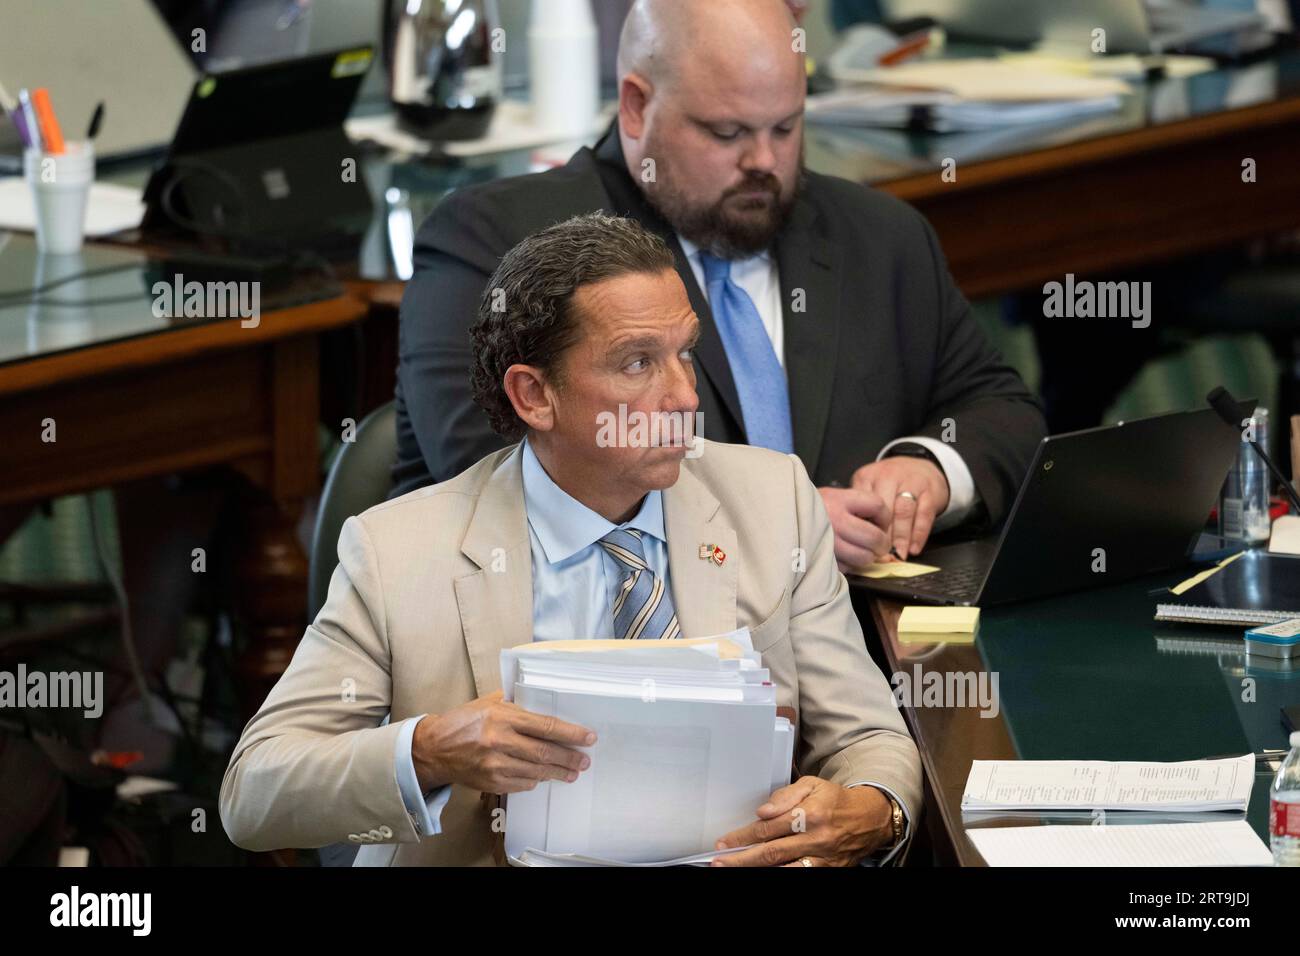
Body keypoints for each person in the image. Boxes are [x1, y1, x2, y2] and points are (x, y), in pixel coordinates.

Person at [221, 214, 922, 866]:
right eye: (638, 363)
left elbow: (869, 738)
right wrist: (429, 750)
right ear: (534, 396)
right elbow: (253, 794)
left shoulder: (774, 502)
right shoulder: (398, 551)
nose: (685, 397)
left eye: (685, 353)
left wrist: (870, 811)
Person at [392, 0, 1046, 572]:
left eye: (786, 128)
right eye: (726, 133)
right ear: (637, 106)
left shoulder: (879, 237)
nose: (764, 162)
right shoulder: (496, 243)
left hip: (853, 660)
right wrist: (777, 522)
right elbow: (497, 478)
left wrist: (929, 469)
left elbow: (1001, 411)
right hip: (599, 662)